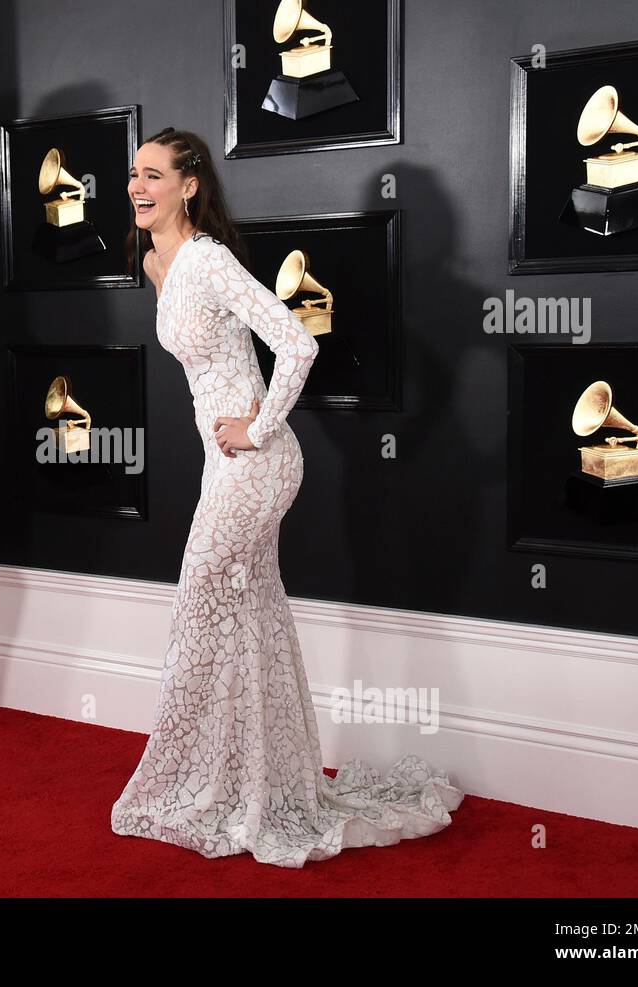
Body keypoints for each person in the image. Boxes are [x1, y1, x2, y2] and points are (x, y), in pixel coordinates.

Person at [110, 128, 464, 866]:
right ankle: (262, 785)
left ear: (189, 185)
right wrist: (225, 438)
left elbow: (298, 342)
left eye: (152, 174)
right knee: (248, 617)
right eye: (132, 175)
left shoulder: (207, 259)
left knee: (198, 611)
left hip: (260, 462)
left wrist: (260, 425)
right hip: (223, 463)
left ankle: (210, 786)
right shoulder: (153, 261)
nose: (138, 187)